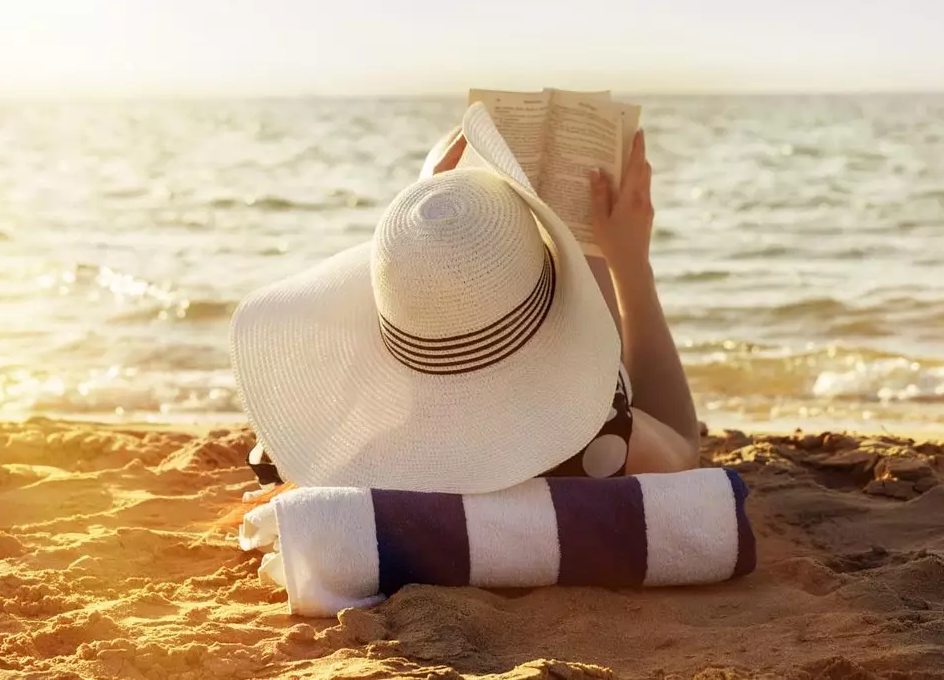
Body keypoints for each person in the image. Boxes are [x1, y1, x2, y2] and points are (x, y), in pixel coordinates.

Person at [229, 103, 698, 495]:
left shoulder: (347, 452)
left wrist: (427, 212)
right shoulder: (603, 439)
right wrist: (631, 264)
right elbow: (683, 452)